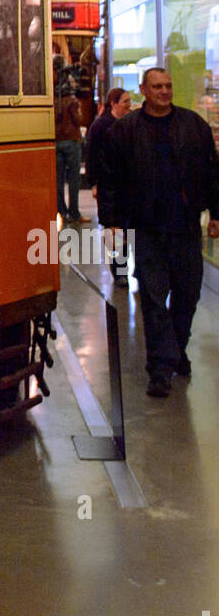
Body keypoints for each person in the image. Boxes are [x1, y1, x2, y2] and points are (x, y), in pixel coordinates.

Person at [98, 67, 219, 397]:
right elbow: (109, 178)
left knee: (187, 296)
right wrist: (110, 220)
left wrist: (216, 213)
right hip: (147, 227)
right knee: (152, 298)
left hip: (185, 226)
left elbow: (212, 173)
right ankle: (160, 369)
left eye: (168, 86)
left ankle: (178, 349)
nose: (164, 91)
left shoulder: (193, 126)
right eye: (157, 86)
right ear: (144, 90)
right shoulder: (124, 131)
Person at [84, 87, 131, 285]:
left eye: (129, 101)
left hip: (129, 186)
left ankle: (132, 270)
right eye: (125, 101)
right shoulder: (101, 126)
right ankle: (120, 271)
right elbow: (92, 156)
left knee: (129, 229)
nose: (128, 104)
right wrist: (94, 183)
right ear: (114, 103)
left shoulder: (132, 124)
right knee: (115, 229)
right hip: (109, 186)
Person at [55, 75, 86, 225]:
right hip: (71, 141)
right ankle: (74, 213)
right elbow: (79, 120)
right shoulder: (72, 101)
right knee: (74, 179)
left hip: (56, 141)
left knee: (58, 180)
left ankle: (61, 212)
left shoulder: (52, 100)